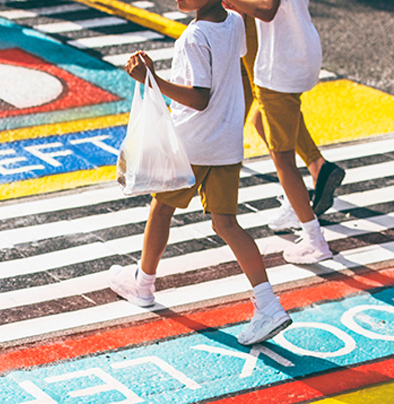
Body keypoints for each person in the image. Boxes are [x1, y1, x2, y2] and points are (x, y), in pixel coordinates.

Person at [108, 0, 292, 345]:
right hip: (226, 142)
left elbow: (199, 97)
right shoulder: (236, 21)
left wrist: (152, 79)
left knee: (161, 209)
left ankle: (143, 285)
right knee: (227, 223)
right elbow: (234, 72)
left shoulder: (192, 37)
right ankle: (268, 304)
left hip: (193, 144)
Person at [224, 0, 333, 263]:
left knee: (283, 160)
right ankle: (296, 203)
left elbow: (266, 9)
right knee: (260, 122)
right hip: (300, 50)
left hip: (280, 64)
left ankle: (314, 239)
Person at [234, 14, 344, 232]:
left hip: (249, 17)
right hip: (255, 20)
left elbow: (268, 7)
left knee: (266, 100)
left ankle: (306, 187)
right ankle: (314, 169)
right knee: (256, 102)